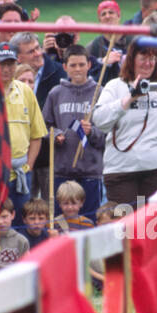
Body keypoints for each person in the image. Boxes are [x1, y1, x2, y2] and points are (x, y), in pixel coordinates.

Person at [92, 40, 157, 206]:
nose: (148, 63)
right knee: (125, 228)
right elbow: (100, 121)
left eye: (152, 59)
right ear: (132, 60)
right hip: (121, 170)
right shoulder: (115, 86)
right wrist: (130, 98)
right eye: (143, 58)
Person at [42, 45, 105, 219]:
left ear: (89, 65)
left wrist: (92, 132)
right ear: (65, 67)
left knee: (89, 222)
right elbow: (44, 126)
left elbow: (109, 133)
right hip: (62, 171)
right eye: (73, 65)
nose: (77, 69)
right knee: (61, 223)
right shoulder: (56, 93)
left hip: (91, 172)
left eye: (81, 64)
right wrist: (55, 135)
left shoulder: (100, 92)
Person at [0, 43, 46, 226]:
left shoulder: (25, 91)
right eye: (2, 64)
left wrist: (29, 166)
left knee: (20, 224)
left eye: (10, 64)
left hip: (20, 173)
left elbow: (37, 134)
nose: (6, 69)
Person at [0, 199, 30, 271]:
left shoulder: (22, 241)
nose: (0, 221)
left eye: (4, 217)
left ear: (13, 215)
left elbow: (26, 267)